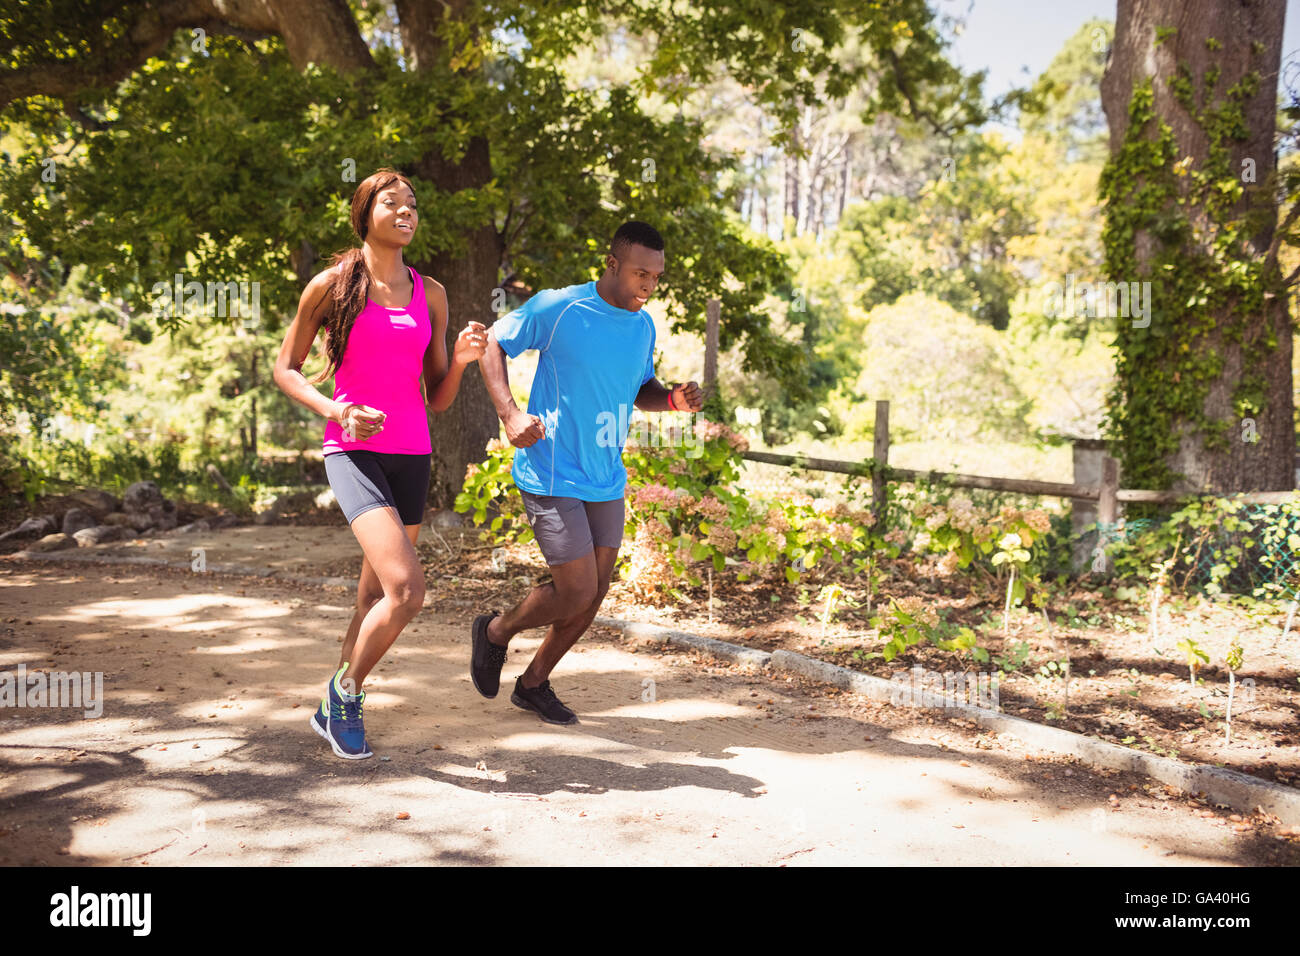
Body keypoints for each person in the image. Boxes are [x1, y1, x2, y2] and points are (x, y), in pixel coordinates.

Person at [273, 167, 487, 758]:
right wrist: (336, 410)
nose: (406, 212)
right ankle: (347, 693)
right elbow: (285, 367)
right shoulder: (332, 285)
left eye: (412, 204)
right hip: (353, 452)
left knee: (373, 599)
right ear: (365, 212)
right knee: (406, 589)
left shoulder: (432, 293)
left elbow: (438, 398)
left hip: (412, 455)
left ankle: (330, 711)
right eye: (391, 203)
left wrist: (465, 360)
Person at [471, 221, 703, 724]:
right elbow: (493, 343)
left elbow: (641, 387)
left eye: (657, 277)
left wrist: (672, 401)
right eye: (641, 273)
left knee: (593, 594)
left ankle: (533, 684)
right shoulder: (561, 307)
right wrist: (509, 414)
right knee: (574, 589)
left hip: (605, 476)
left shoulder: (643, 326)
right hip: (552, 468)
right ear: (612, 264)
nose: (649, 285)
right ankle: (495, 632)